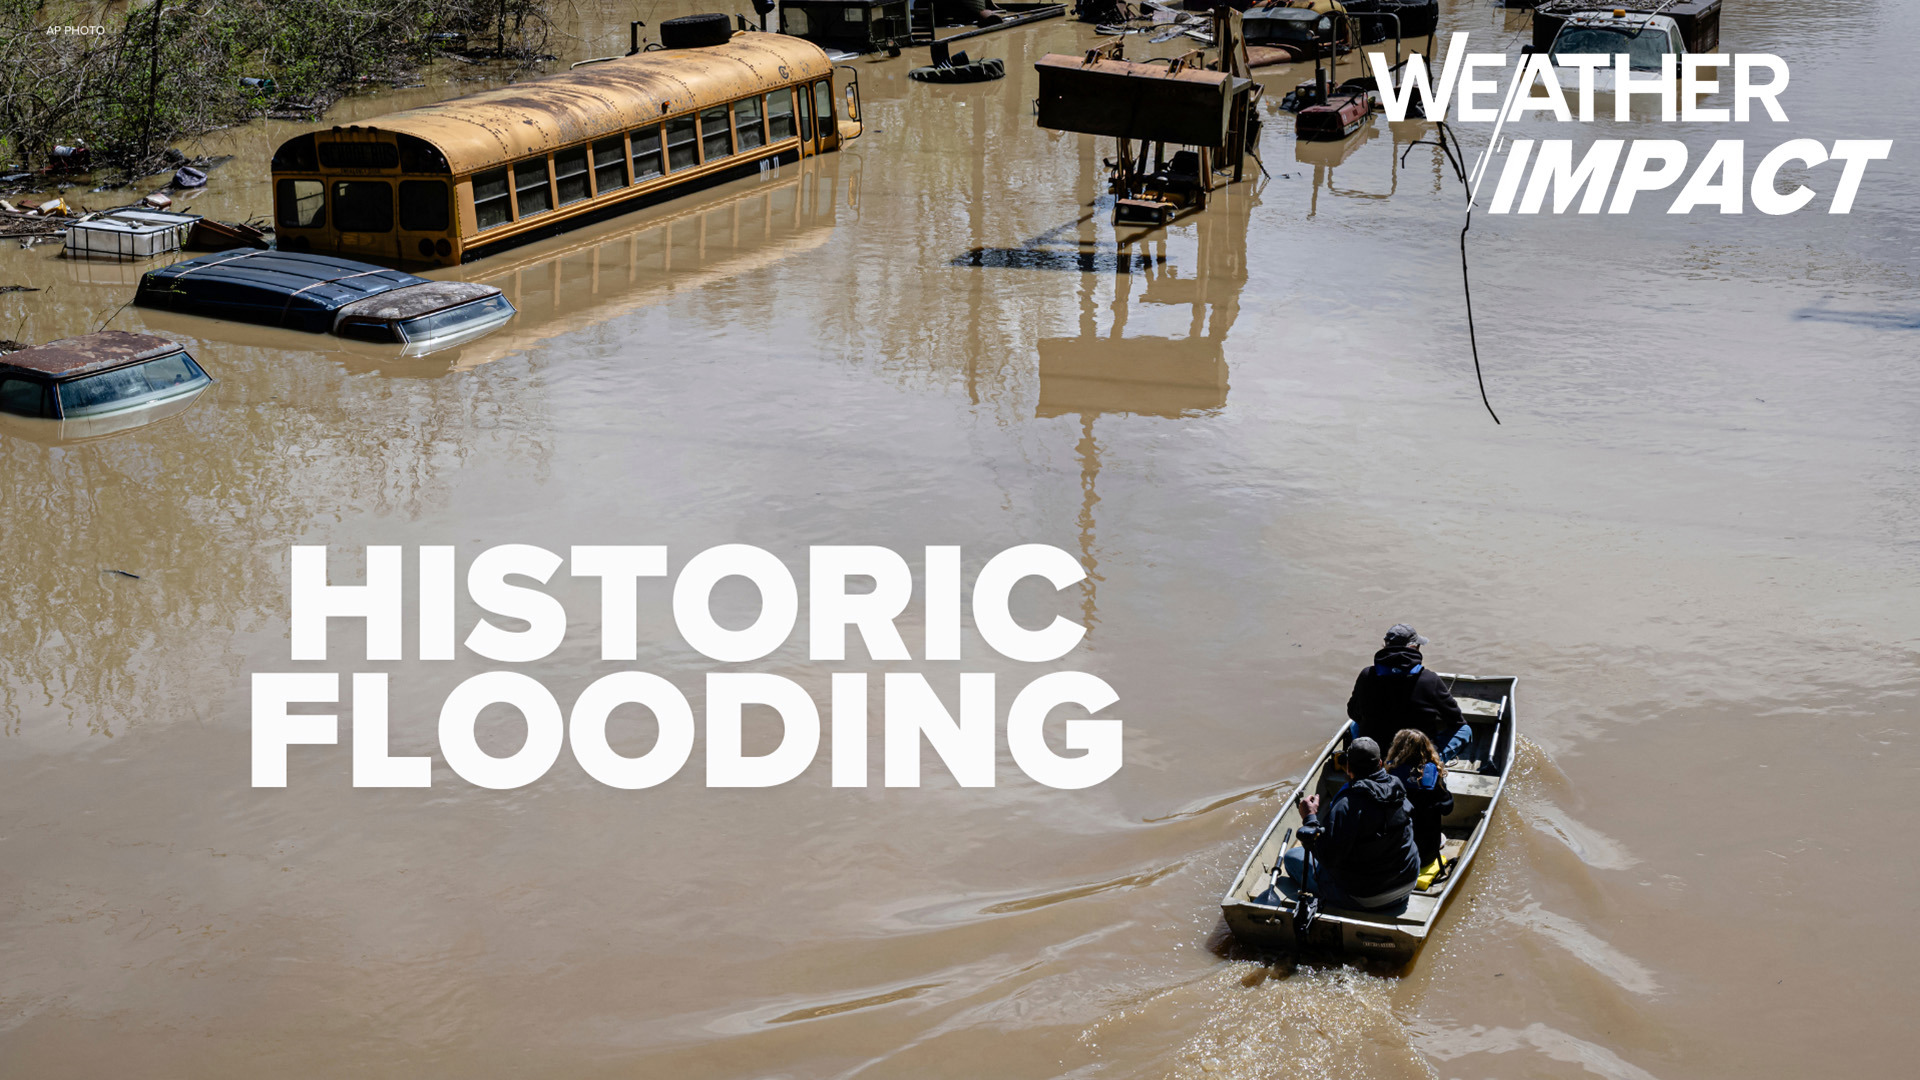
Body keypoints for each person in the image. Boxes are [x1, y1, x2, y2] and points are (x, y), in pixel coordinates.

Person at [1282, 737, 1420, 911]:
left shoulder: (1347, 804)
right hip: (1407, 883)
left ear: (1348, 768)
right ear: (1380, 763)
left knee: (1293, 857)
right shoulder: (1397, 788)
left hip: (1366, 897)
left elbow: (1327, 857)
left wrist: (1310, 818)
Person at [1346, 623, 1473, 762]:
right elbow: (1456, 720)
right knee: (1465, 731)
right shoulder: (1429, 679)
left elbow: (1353, 712)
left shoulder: (1366, 674)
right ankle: (1434, 762)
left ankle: (1370, 760)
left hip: (1377, 755)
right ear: (1413, 648)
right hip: (1414, 757)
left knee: (1354, 725)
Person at [1385, 728, 1454, 876]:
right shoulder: (1433, 778)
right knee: (1440, 836)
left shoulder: (1389, 776)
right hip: (1425, 855)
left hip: (1395, 855)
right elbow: (1447, 808)